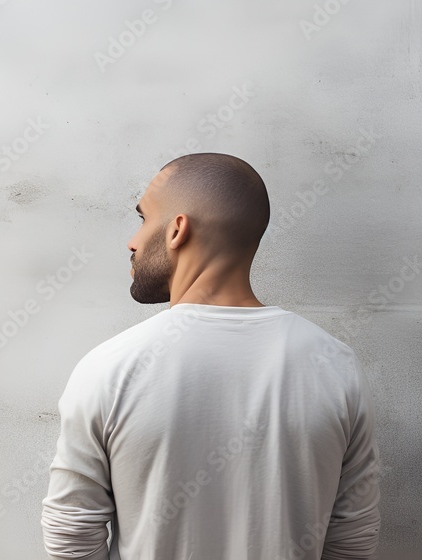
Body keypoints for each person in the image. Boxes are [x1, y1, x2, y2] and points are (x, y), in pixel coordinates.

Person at [40, 153, 381, 559]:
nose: (132, 241)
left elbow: (71, 536)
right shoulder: (336, 366)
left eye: (144, 218)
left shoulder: (111, 368)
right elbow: (352, 541)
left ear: (177, 230)